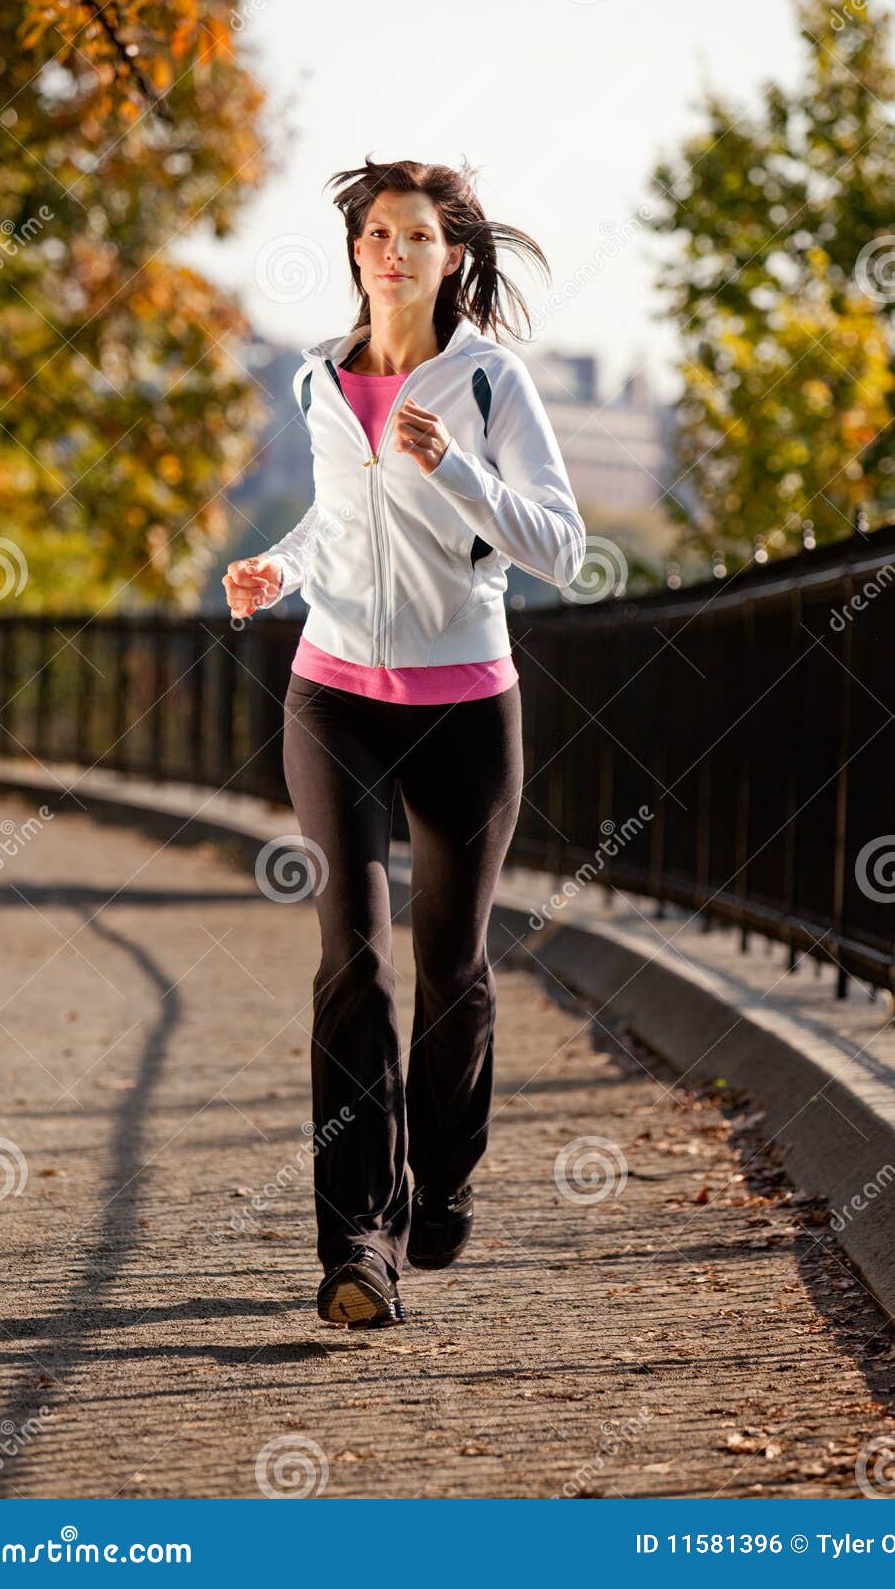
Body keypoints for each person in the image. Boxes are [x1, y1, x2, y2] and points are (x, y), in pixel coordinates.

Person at [223, 156, 585, 1329]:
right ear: (356, 253)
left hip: (466, 707)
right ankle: (357, 1241)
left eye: (415, 235)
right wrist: (279, 567)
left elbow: (561, 547)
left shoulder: (488, 382)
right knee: (352, 963)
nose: (391, 251)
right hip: (332, 696)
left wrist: (459, 470)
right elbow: (339, 517)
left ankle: (444, 1182)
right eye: (375, 233)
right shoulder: (318, 381)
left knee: (453, 966)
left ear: (450, 257)